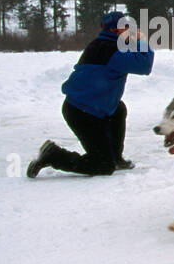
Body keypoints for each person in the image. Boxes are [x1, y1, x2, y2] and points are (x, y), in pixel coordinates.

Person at [26, 11, 155, 178]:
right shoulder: (113, 50)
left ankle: (116, 158)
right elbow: (144, 66)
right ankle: (53, 155)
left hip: (88, 107)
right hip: (83, 113)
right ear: (116, 31)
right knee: (102, 166)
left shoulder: (100, 44)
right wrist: (140, 41)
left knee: (118, 109)